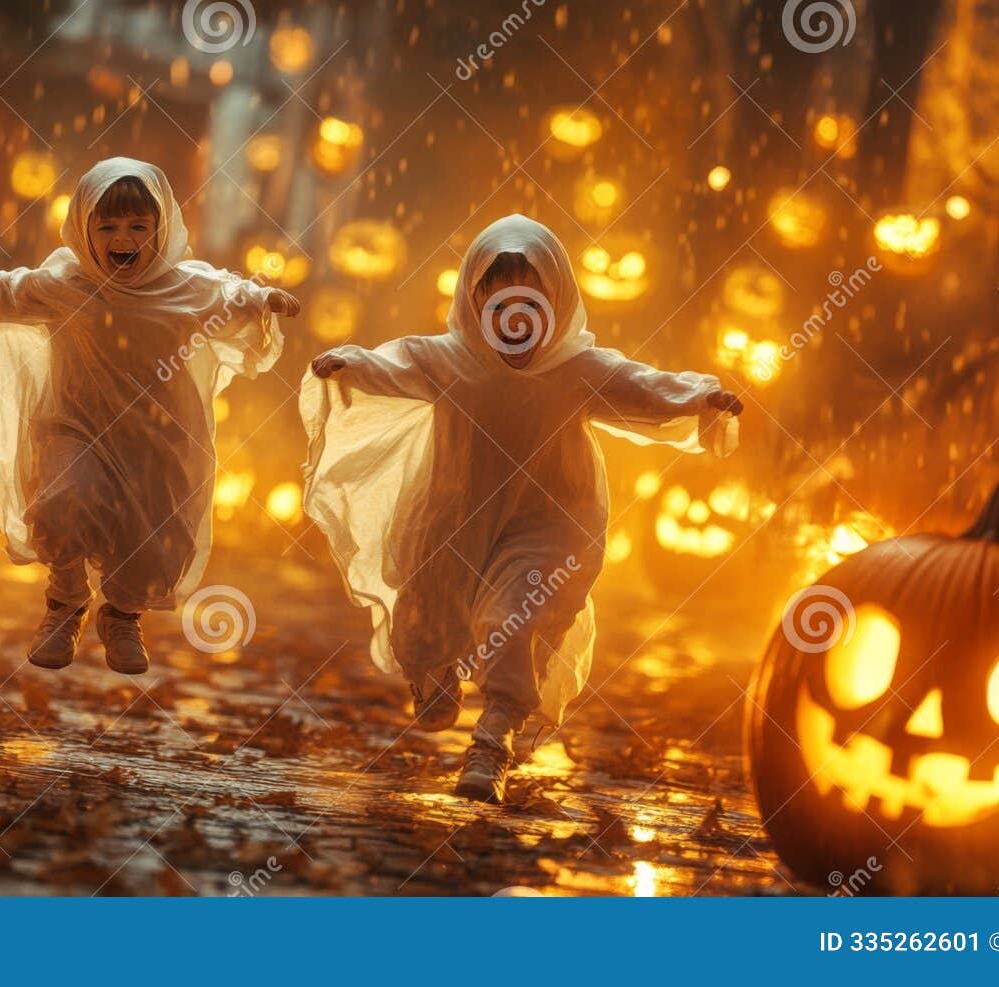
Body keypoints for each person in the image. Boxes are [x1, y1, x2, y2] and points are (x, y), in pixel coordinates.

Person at [302, 214, 741, 802]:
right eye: (496, 290)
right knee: (429, 611)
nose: (515, 309)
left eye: (532, 292)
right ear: (474, 296)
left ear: (555, 298)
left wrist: (700, 396)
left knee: (516, 617)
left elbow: (641, 387)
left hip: (550, 522)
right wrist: (350, 363)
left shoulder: (576, 370)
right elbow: (394, 364)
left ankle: (493, 739)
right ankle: (432, 670)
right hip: (453, 514)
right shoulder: (447, 359)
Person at [0, 158, 298, 674]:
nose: (123, 237)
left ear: (160, 229)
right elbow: (2, 292)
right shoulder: (67, 286)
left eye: (138, 226)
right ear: (84, 229)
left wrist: (263, 299)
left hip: (159, 441)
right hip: (76, 429)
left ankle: (122, 615)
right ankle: (66, 600)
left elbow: (229, 293)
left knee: (155, 545)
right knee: (65, 500)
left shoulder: (185, 288)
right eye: (108, 226)